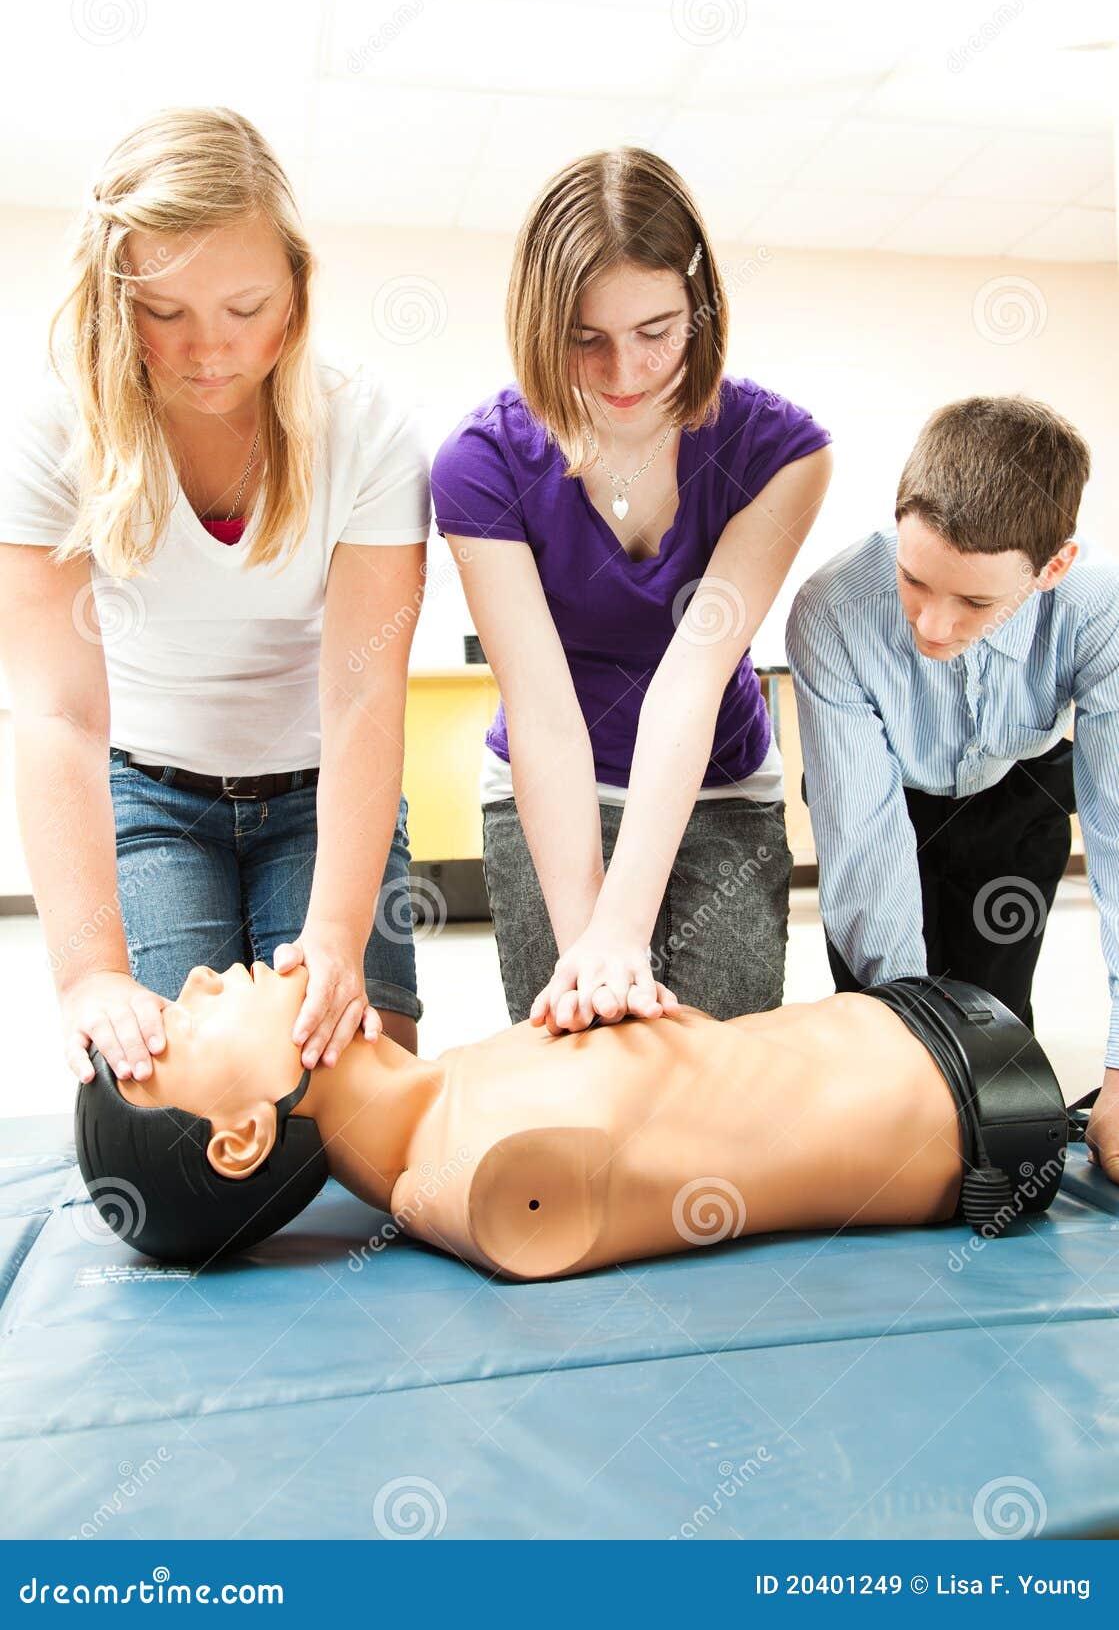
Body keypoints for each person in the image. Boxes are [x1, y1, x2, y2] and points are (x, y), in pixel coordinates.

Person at [0, 106, 431, 1093]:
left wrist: (336, 935)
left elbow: (363, 696)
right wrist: (89, 973)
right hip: (150, 795)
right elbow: (58, 715)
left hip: (320, 791)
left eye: (245, 308)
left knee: (356, 1101)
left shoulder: (366, 429)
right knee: (172, 1099)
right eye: (165, 313)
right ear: (114, 301)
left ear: (296, 290)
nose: (209, 351)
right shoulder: (50, 431)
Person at [431, 147, 833, 1035]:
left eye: (656, 330)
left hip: (718, 784)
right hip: (549, 784)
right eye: (586, 339)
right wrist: (593, 949)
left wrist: (624, 928)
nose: (625, 373)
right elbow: (542, 710)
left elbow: (691, 678)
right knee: (580, 1058)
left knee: (713, 1068)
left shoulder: (782, 452)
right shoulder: (480, 463)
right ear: (540, 324)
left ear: (701, 306)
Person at [75, 956, 1096, 1282]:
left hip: (922, 1018)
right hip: (979, 1113)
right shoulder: (473, 1176)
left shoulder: (444, 1093)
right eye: (183, 1023)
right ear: (243, 1136)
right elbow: (504, 1211)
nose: (199, 977)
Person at [786, 394, 1119, 1176]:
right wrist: (913, 1065)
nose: (933, 627)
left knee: (995, 1031)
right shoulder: (832, 609)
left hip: (1017, 794)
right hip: (885, 793)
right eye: (913, 581)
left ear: (1052, 568)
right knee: (883, 1041)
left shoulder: (1096, 611)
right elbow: (865, 840)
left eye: (974, 601)